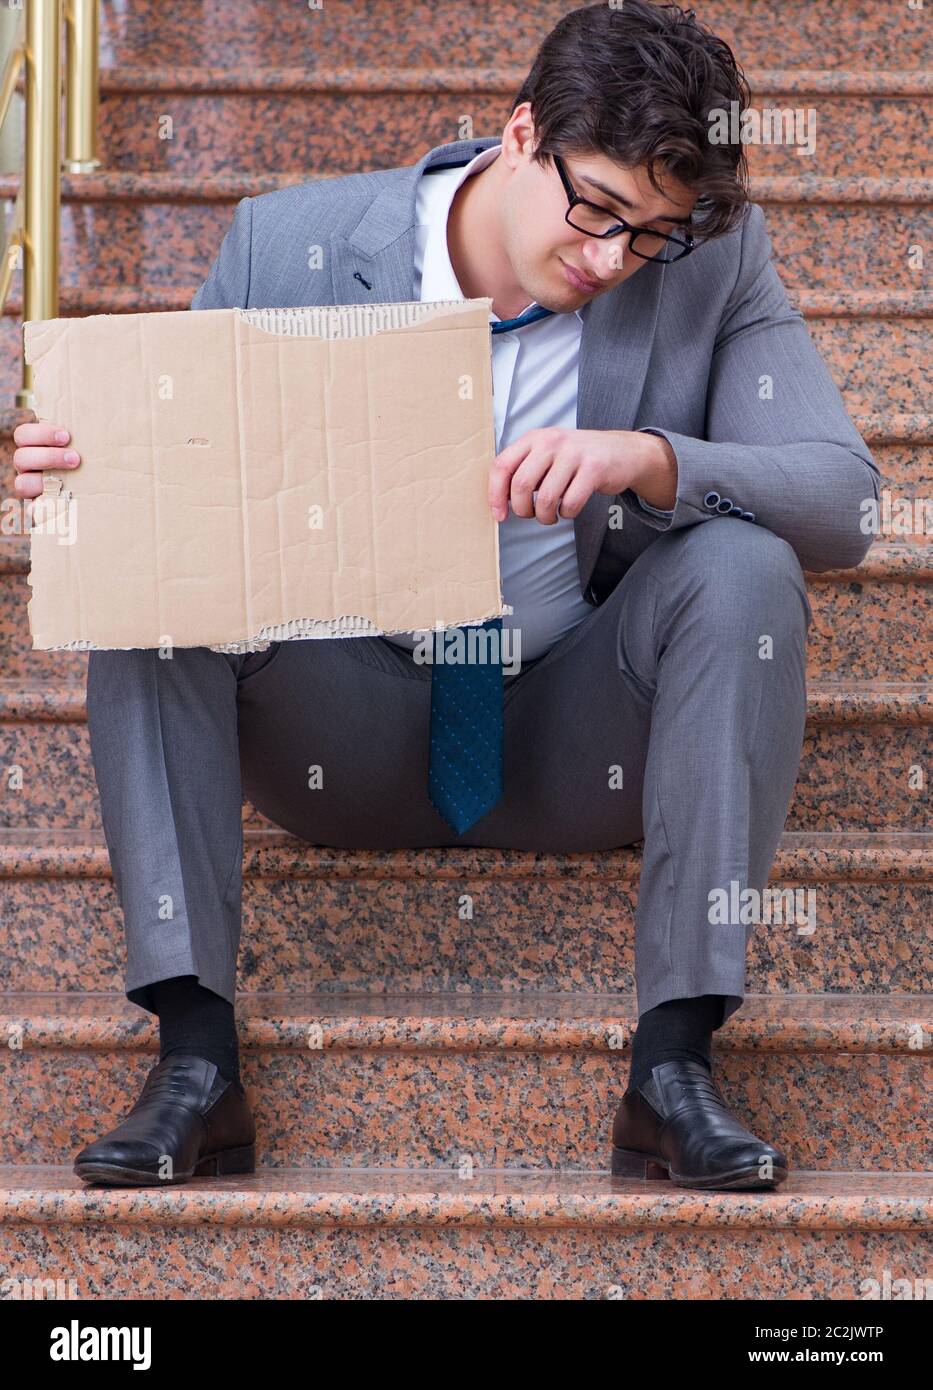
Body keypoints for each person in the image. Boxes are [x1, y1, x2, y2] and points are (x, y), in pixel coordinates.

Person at [13, 1, 878, 1190]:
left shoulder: (712, 264)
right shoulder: (286, 246)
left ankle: (673, 1067)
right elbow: (177, 477)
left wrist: (653, 459)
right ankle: (196, 1060)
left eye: (650, 236)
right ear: (520, 134)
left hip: (575, 732)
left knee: (747, 564)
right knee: (160, 572)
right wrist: (84, 470)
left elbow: (845, 502)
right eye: (598, 213)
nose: (613, 260)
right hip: (346, 722)